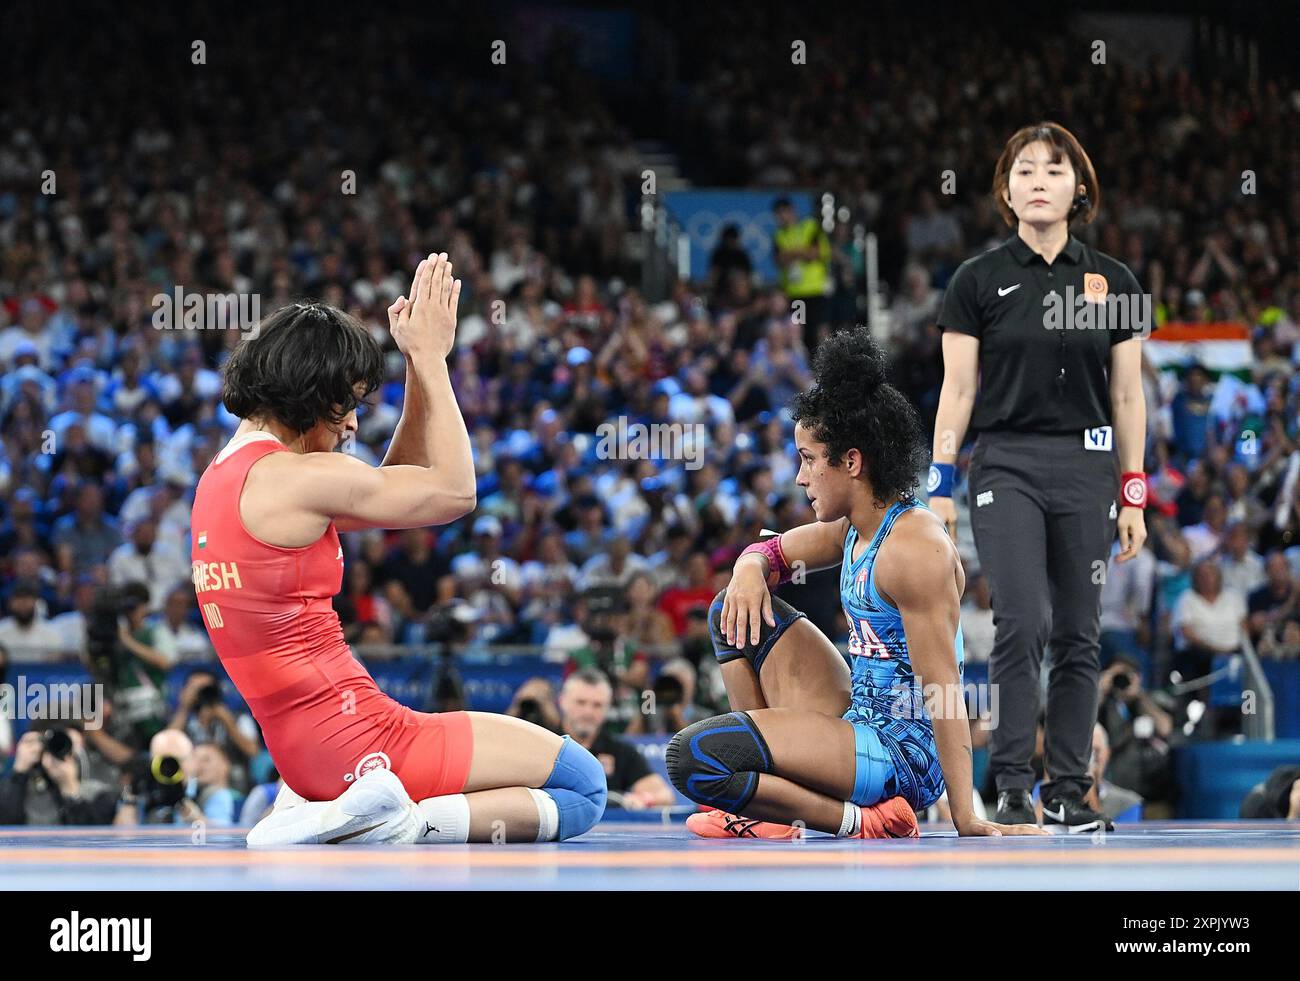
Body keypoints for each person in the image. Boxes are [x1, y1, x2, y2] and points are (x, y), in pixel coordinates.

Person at [192, 254, 606, 846]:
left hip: (309, 756)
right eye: (349, 403)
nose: (354, 425)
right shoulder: (295, 478)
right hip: (364, 741)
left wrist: (415, 364)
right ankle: (399, 822)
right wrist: (435, 358)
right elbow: (455, 490)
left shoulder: (228, 476)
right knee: (582, 785)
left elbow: (402, 479)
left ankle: (344, 812)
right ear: (315, 394)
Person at [665, 330, 1045, 839]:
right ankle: (768, 805)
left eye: (807, 459)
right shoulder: (855, 527)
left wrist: (967, 817)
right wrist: (747, 570)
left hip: (901, 755)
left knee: (693, 758)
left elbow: (943, 692)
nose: (799, 477)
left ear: (851, 461)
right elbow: (767, 552)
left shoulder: (913, 548)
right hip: (857, 718)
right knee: (729, 612)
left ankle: (858, 820)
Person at [929, 122, 1148, 833]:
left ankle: (1067, 790)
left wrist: (1134, 491)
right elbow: (957, 390)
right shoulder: (976, 280)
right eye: (1024, 171)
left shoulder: (1116, 281)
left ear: (1078, 188)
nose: (1038, 182)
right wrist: (937, 482)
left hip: (1089, 467)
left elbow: (1127, 397)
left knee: (1081, 630)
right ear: (1005, 191)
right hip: (1006, 462)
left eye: (1053, 171)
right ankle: (1014, 786)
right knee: (1023, 619)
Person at [559, 670, 674, 809]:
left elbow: (664, 795)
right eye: (581, 702)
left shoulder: (620, 751)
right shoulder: (543, 742)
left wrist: (640, 799)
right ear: (562, 701)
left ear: (608, 707)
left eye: (597, 705)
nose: (588, 712)